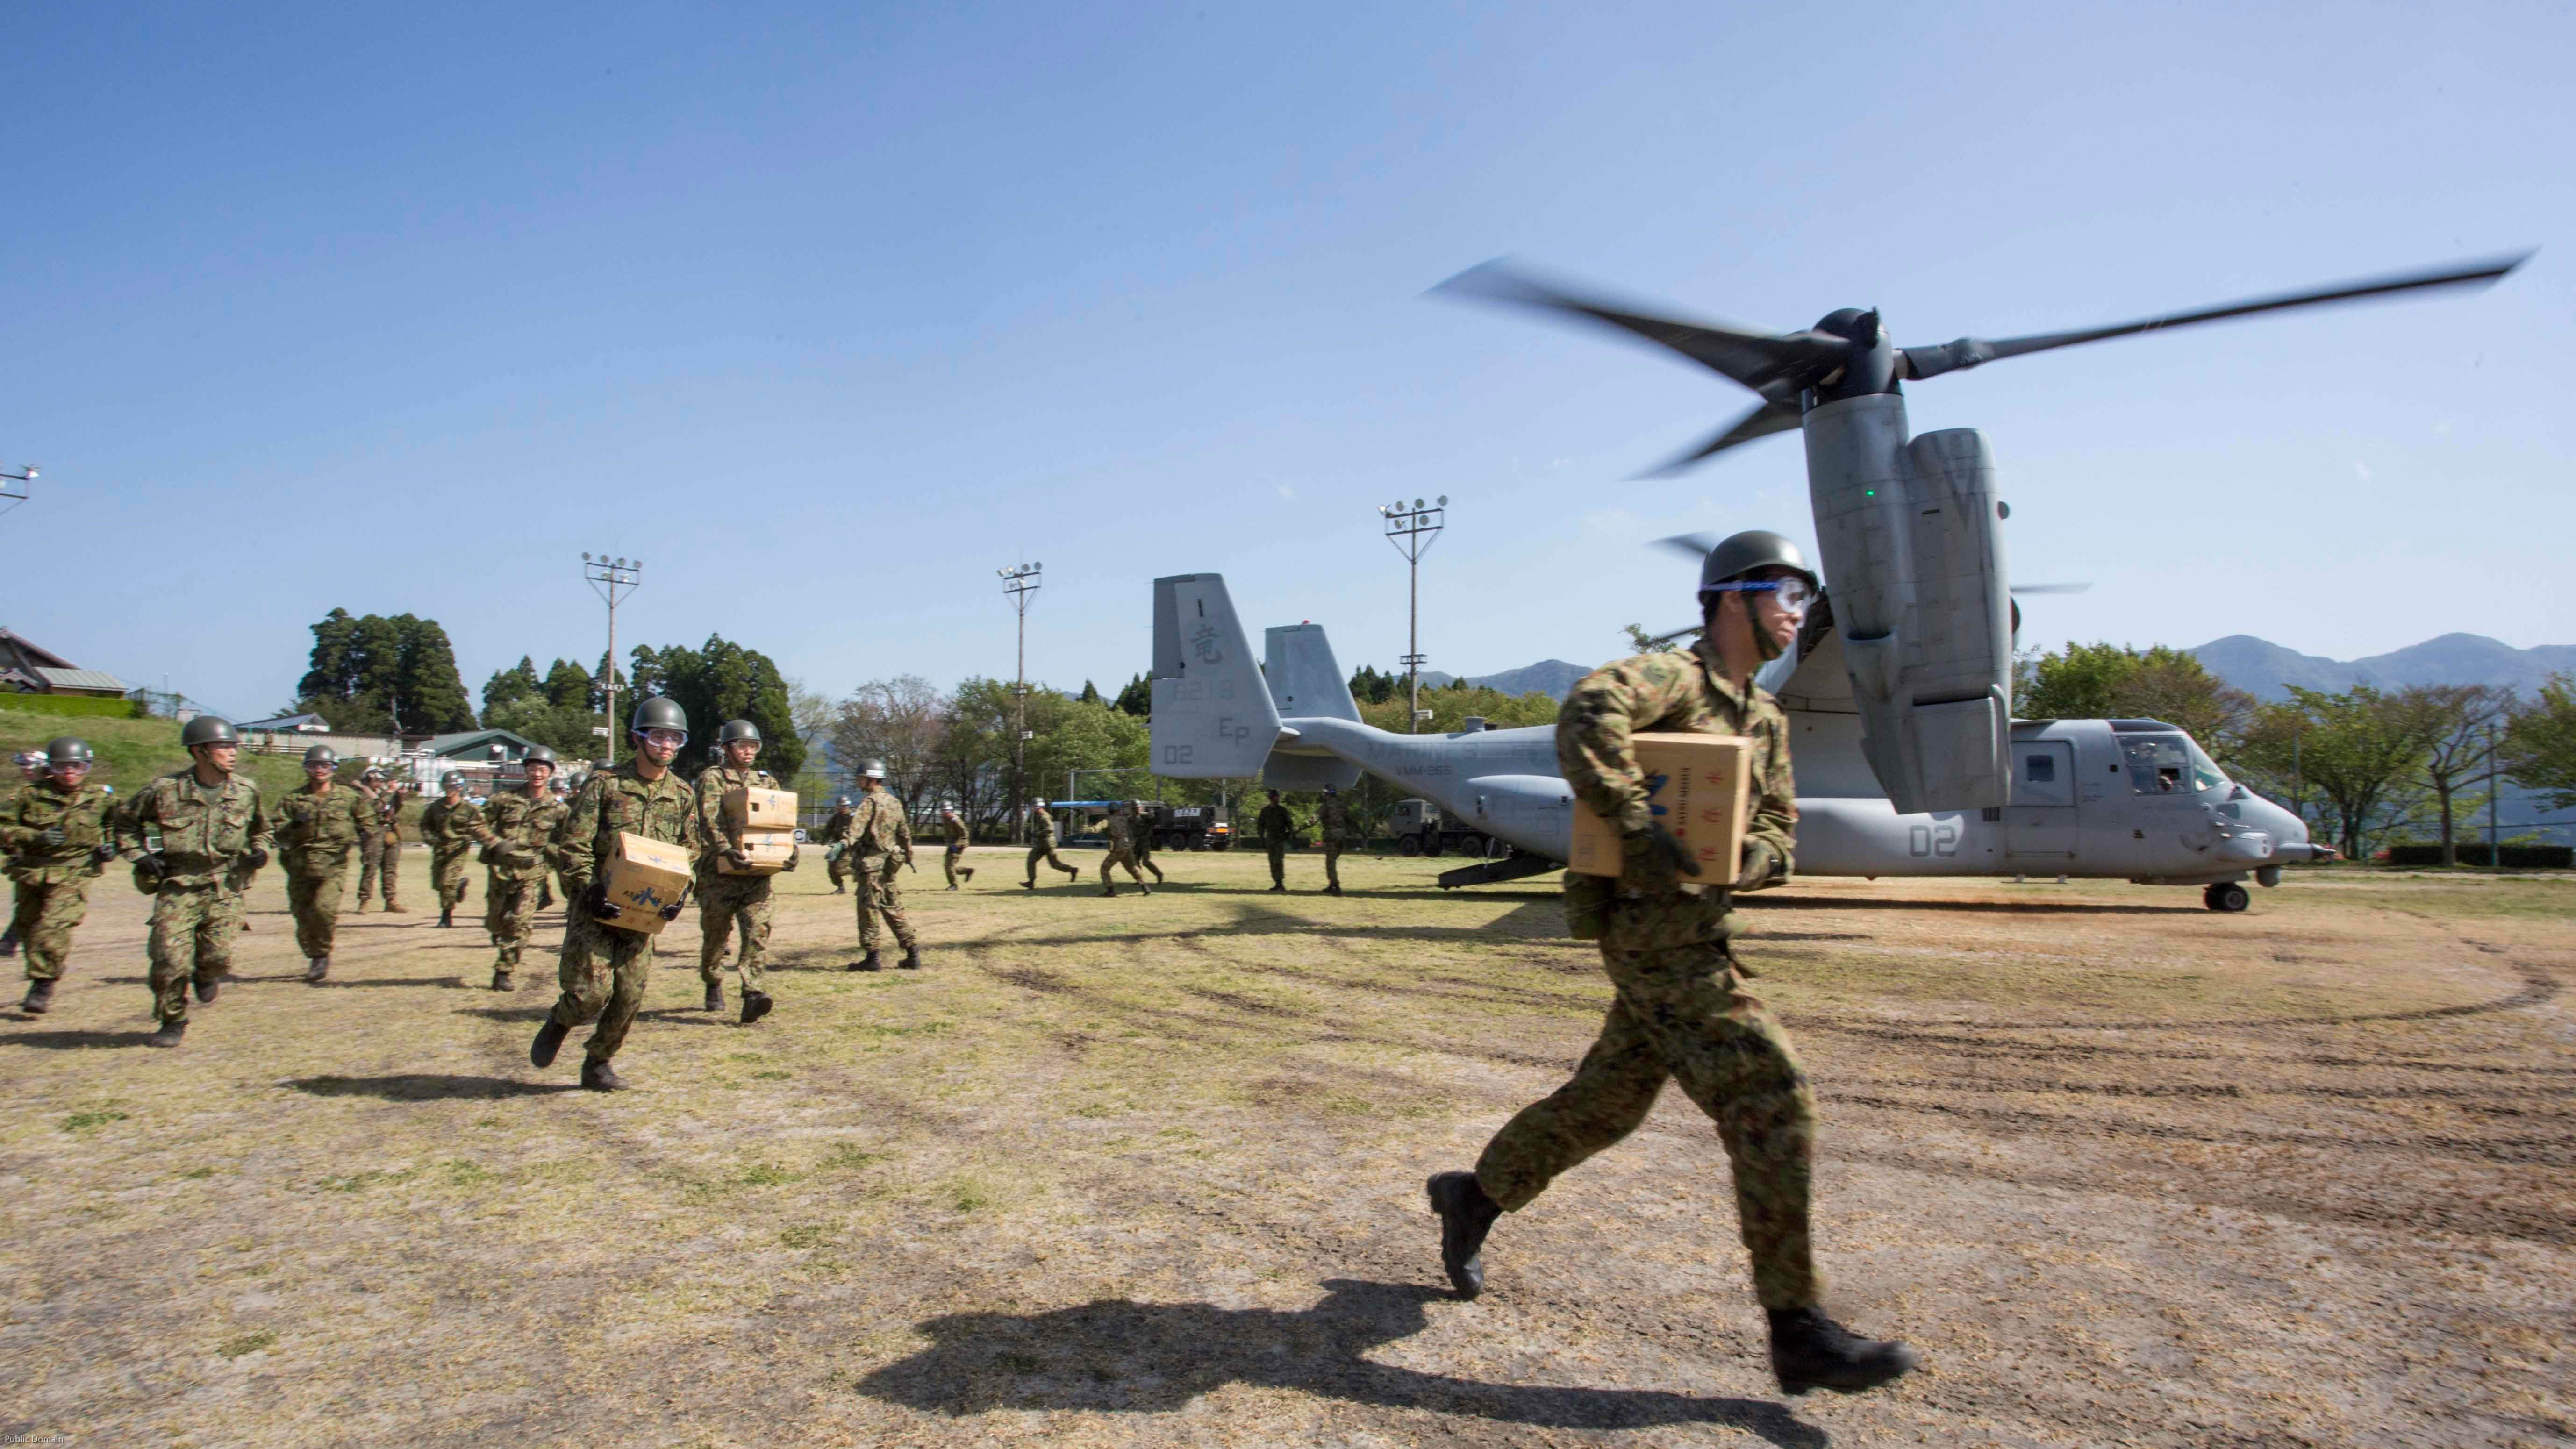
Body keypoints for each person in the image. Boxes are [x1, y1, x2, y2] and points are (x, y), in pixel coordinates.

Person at [1423, 529, 1916, 1398]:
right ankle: (1796, 1329)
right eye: (1786, 594)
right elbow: (1587, 711)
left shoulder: (1763, 719)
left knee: (1605, 1106)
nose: (1798, 612)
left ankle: (1476, 1195)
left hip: (1702, 930)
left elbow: (1778, 838)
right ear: (1734, 598)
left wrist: (1734, 856)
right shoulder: (1672, 680)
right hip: (1650, 937)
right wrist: (1633, 818)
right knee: (1770, 1093)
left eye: (1803, 597)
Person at [530, 698, 705, 1092]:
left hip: (643, 913)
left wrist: (681, 891)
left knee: (629, 997)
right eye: (658, 735)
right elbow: (573, 846)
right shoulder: (605, 785)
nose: (667, 744)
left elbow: (690, 851)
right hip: (597, 907)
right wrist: (588, 890)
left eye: (674, 738)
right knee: (591, 996)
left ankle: (598, 1063)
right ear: (638, 738)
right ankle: (561, 1019)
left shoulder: (682, 794)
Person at [114, 715, 272, 1049]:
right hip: (178, 884)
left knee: (218, 956)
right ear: (200, 750)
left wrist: (260, 850)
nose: (233, 753)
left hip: (226, 885)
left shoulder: (246, 791)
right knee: (169, 959)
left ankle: (206, 973)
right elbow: (125, 824)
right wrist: (140, 856)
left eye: (234, 746)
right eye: (224, 746)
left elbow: (263, 830)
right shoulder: (164, 790)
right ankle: (172, 1019)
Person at [1, 737, 118, 1014]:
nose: (70, 773)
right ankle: (43, 970)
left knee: (53, 927)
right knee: (29, 928)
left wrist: (110, 846)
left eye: (77, 767)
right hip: (33, 872)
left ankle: (42, 983)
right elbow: (4, 829)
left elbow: (116, 824)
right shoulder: (28, 795)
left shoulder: (100, 798)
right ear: (50, 767)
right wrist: (36, 836)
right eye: (62, 767)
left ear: (87, 767)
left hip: (75, 873)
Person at [692, 719, 787, 1023]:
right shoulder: (713, 778)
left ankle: (753, 993)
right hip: (719, 872)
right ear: (727, 748)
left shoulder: (766, 782)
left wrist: (790, 851)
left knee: (758, 931)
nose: (748, 751)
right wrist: (725, 848)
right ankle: (713, 980)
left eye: (753, 746)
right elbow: (709, 820)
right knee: (716, 936)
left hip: (756, 874)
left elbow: (780, 822)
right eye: (742, 745)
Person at [271, 744, 372, 983]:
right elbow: (276, 834)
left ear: (334, 769)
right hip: (300, 866)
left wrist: (367, 835)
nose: (319, 770)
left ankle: (321, 955)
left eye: (325, 765)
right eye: (314, 765)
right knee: (303, 916)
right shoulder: (293, 800)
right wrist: (293, 825)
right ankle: (313, 950)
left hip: (333, 866)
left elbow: (367, 821)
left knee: (324, 911)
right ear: (306, 768)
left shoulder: (349, 798)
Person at [479, 745, 569, 992]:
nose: (537, 773)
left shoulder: (559, 810)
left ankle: (504, 970)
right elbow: (477, 822)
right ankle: (499, 933)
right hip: (502, 872)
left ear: (550, 773)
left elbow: (568, 840)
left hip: (533, 875)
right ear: (526, 771)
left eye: (542, 769)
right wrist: (494, 843)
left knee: (520, 922)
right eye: (532, 768)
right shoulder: (505, 800)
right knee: (497, 921)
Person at [843, 760, 920, 971]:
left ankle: (872, 958)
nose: (858, 781)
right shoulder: (895, 803)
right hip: (890, 865)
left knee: (868, 909)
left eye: (860, 777)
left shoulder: (869, 803)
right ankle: (913, 953)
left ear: (871, 779)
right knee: (893, 907)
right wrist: (909, 855)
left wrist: (843, 844)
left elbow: (855, 830)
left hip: (871, 867)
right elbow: (905, 834)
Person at [420, 772, 484, 928]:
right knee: (438, 884)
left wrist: (472, 838)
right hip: (440, 849)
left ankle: (446, 917)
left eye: (453, 787)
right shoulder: (436, 807)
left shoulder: (469, 809)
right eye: (447, 787)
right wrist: (431, 839)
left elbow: (481, 827)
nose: (449, 790)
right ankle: (459, 885)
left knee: (448, 883)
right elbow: (425, 825)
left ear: (460, 788)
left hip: (458, 850)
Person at [0, 749, 47, 959]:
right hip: (29, 858)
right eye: (23, 766)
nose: (26, 770)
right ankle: (10, 942)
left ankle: (12, 943)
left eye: (31, 765)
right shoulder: (22, 794)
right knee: (29, 903)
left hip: (58, 860)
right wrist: (13, 851)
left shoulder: (65, 791)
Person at [357, 770, 408, 913]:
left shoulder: (383, 793)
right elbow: (376, 808)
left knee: (390, 869)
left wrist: (399, 797)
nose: (381, 783)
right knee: (370, 868)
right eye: (378, 780)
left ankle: (391, 900)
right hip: (373, 833)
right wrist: (390, 792)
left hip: (390, 831)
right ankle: (364, 900)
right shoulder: (362, 793)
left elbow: (393, 810)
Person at [1019, 799, 1080, 889]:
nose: (1032, 809)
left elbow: (1051, 828)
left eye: (1033, 807)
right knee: (1031, 860)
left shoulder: (1045, 816)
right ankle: (1031, 882)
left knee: (1055, 865)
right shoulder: (1039, 816)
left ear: (1038, 807)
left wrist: (1038, 833)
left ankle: (1072, 870)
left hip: (1047, 844)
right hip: (1041, 844)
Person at [1098, 802, 1152, 897]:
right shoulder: (1124, 819)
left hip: (1118, 849)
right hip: (1128, 847)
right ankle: (1145, 887)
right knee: (1133, 868)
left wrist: (1092, 829)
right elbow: (1130, 833)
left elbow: (1101, 826)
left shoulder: (1108, 820)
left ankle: (1110, 891)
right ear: (1118, 810)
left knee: (1104, 868)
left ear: (1109, 811)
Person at [1316, 785, 1354, 896]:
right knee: (1333, 860)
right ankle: (1331, 885)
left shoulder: (1325, 806)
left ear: (1326, 795)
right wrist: (1360, 832)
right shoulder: (1342, 805)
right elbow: (1350, 820)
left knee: (1330, 862)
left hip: (1331, 837)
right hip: (1342, 837)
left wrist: (1299, 828)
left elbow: (1314, 819)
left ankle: (1336, 887)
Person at [1256, 789, 1294, 892]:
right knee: (1272, 861)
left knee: (1279, 860)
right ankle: (1277, 882)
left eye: (1278, 797)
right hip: (1270, 839)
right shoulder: (1265, 811)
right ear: (1271, 798)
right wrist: (1261, 838)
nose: (1278, 799)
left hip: (1280, 839)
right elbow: (1261, 826)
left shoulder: (1283, 810)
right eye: (1276, 797)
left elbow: (1290, 824)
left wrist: (1290, 835)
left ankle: (1280, 882)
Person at [821, 795, 857, 895]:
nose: (843, 808)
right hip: (839, 846)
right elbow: (828, 828)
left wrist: (848, 841)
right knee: (831, 869)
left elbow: (858, 831)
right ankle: (841, 888)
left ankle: (859, 870)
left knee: (839, 869)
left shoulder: (853, 817)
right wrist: (824, 839)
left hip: (851, 848)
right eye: (841, 806)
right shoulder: (836, 818)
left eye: (845, 806)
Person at [937, 805, 974, 889]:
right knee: (949, 866)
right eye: (942, 811)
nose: (943, 813)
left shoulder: (956, 820)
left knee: (949, 866)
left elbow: (964, 835)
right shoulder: (946, 819)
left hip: (958, 845)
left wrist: (956, 845)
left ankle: (954, 885)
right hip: (951, 845)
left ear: (950, 811)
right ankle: (967, 871)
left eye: (945, 811)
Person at [1128, 805, 1166, 885]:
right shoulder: (1130, 819)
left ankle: (1159, 874)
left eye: (1138, 808)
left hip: (1145, 842)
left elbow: (1155, 821)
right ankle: (1139, 880)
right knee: (1135, 863)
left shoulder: (1146, 817)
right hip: (1136, 843)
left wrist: (1153, 814)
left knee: (1146, 862)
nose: (1137, 810)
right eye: (1135, 808)